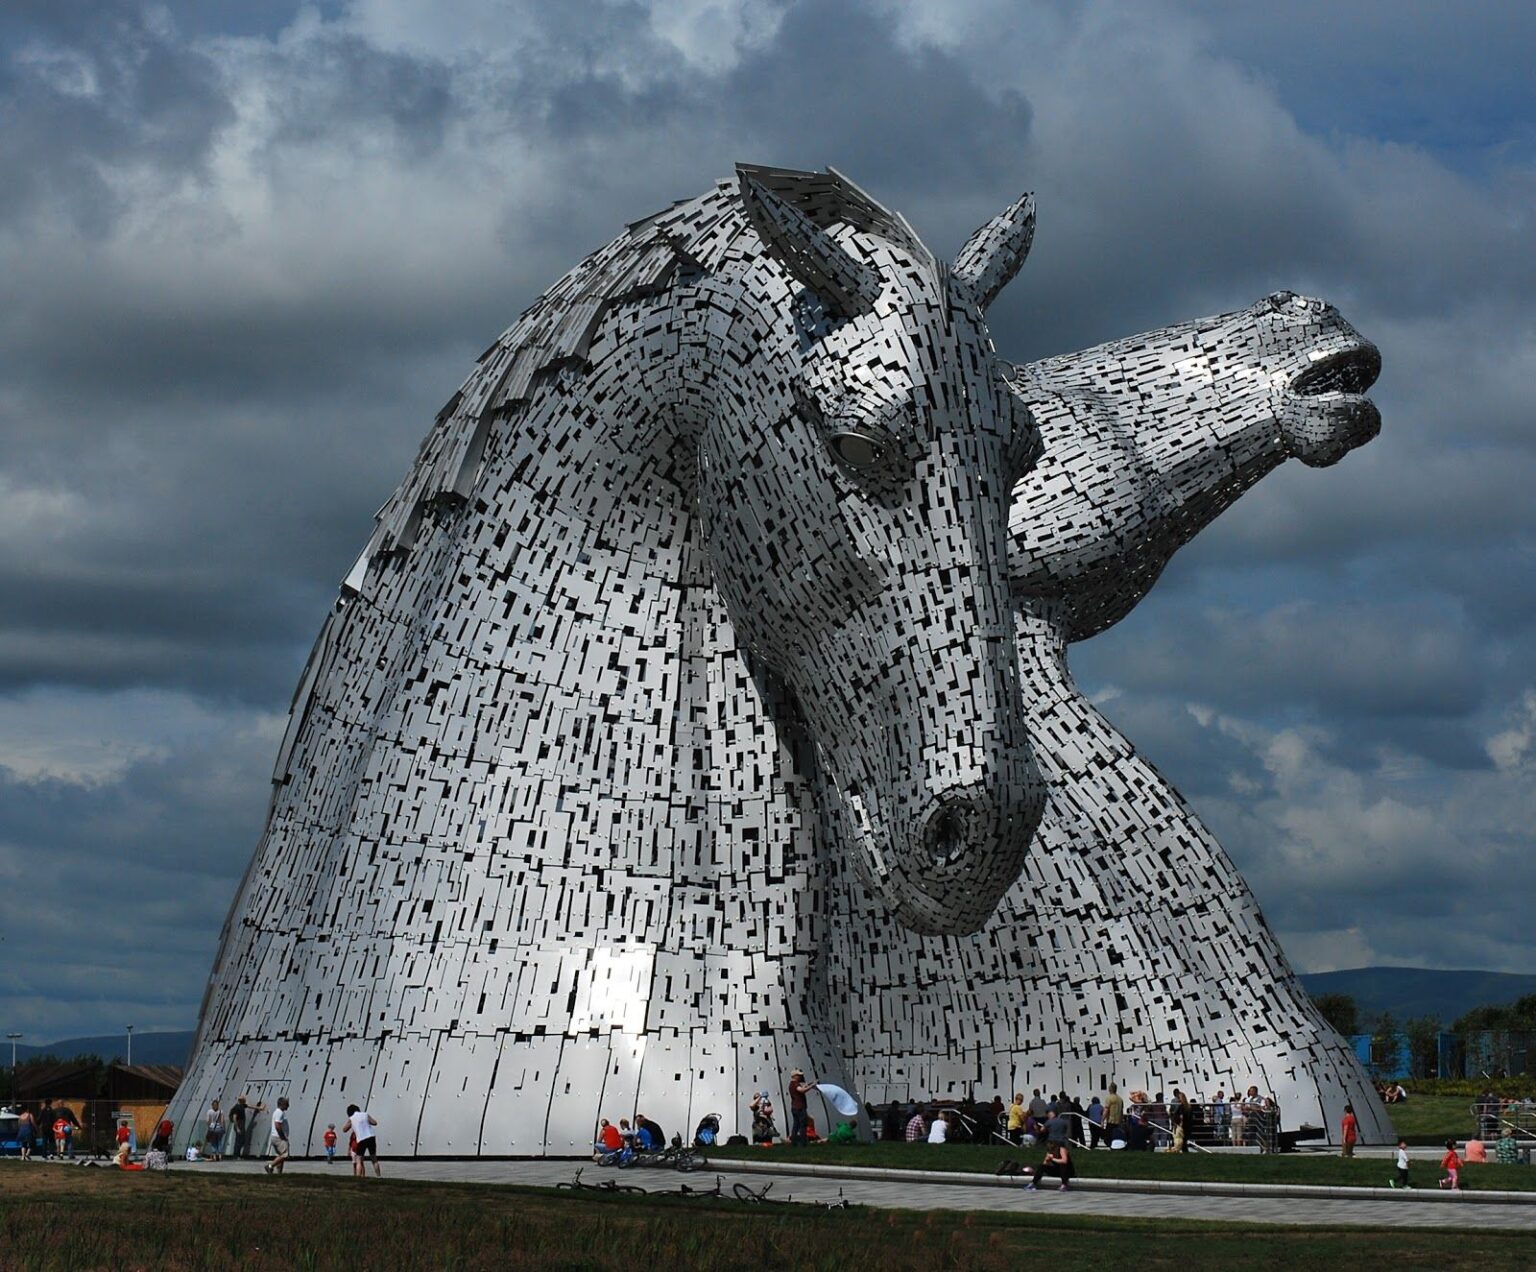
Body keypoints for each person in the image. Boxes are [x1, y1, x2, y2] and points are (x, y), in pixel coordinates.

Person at [347, 1103, 381, 1177]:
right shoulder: (365, 1114)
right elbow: (374, 1122)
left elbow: (344, 1129)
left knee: (359, 1160)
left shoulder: (352, 1118)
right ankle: (379, 1176)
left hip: (361, 1138)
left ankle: (358, 1177)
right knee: (374, 1158)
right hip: (371, 1136)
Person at [788, 1068, 818, 1147]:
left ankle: (793, 1141)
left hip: (794, 1107)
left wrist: (807, 1085)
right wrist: (811, 1086)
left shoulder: (792, 1084)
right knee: (802, 1125)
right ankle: (802, 1142)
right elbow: (801, 1090)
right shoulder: (795, 1084)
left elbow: (801, 1088)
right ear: (794, 1076)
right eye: (798, 1075)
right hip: (800, 1107)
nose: (800, 1077)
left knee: (796, 1125)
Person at [265, 1096, 291, 1174]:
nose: (288, 1106)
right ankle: (270, 1166)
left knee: (280, 1155)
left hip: (275, 1137)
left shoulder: (277, 1112)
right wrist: (282, 1136)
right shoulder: (280, 1112)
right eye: (286, 1104)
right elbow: (277, 1125)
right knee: (284, 1155)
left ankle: (279, 1172)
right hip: (279, 1137)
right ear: (282, 1104)